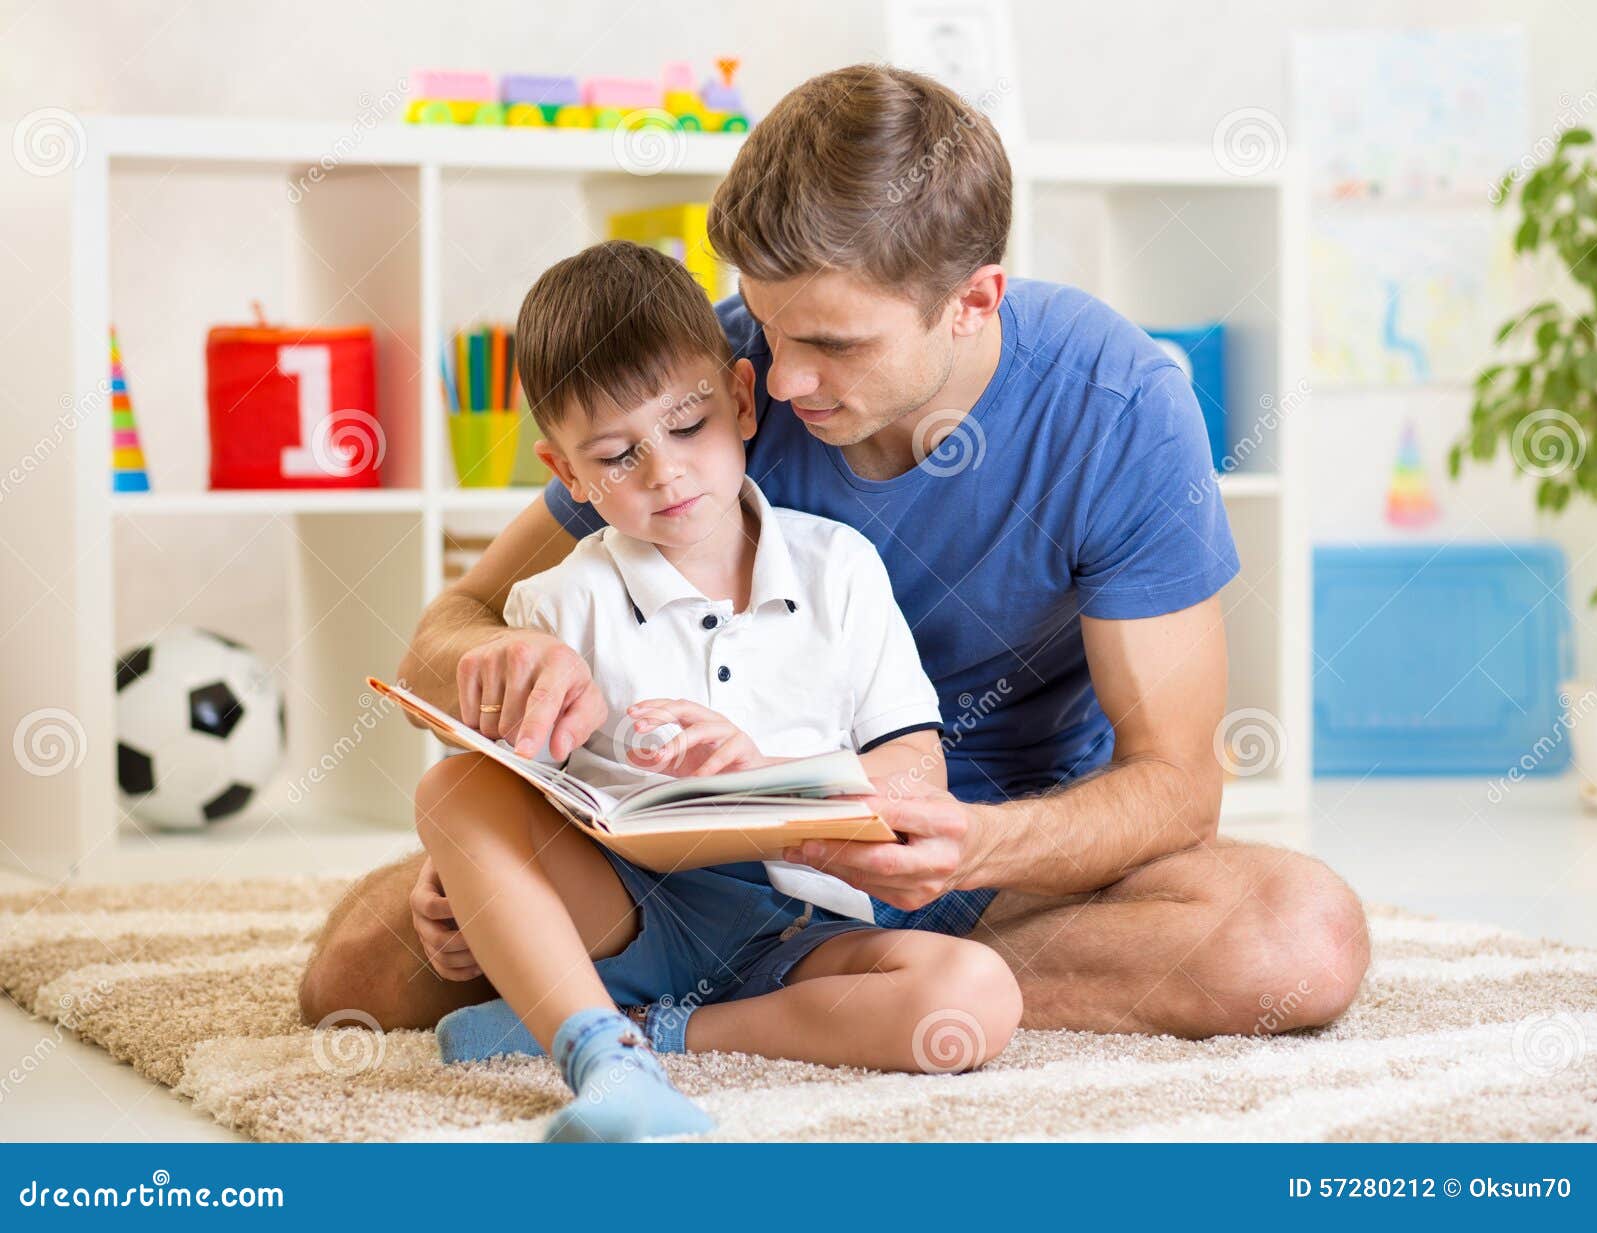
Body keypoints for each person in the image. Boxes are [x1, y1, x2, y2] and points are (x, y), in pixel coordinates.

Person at [299, 63, 1368, 1053]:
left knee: (1297, 941)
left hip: (1001, 858)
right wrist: (504, 689)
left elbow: (1178, 788)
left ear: (974, 299)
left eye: (835, 345)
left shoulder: (1120, 407)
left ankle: (777, 990)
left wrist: (973, 845)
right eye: (769, 328)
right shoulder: (714, 387)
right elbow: (459, 619)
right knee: (356, 978)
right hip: (695, 856)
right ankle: (822, 992)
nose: (787, 381)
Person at [411, 240, 1021, 1141]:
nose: (664, 472)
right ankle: (599, 1060)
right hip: (629, 917)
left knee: (973, 998)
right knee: (452, 787)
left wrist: (765, 776)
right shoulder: (555, 602)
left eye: (688, 427)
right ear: (567, 474)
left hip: (803, 920)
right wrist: (453, 875)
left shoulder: (838, 567)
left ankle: (650, 1038)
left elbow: (914, 763)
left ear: (741, 400)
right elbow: (516, 789)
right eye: (616, 456)